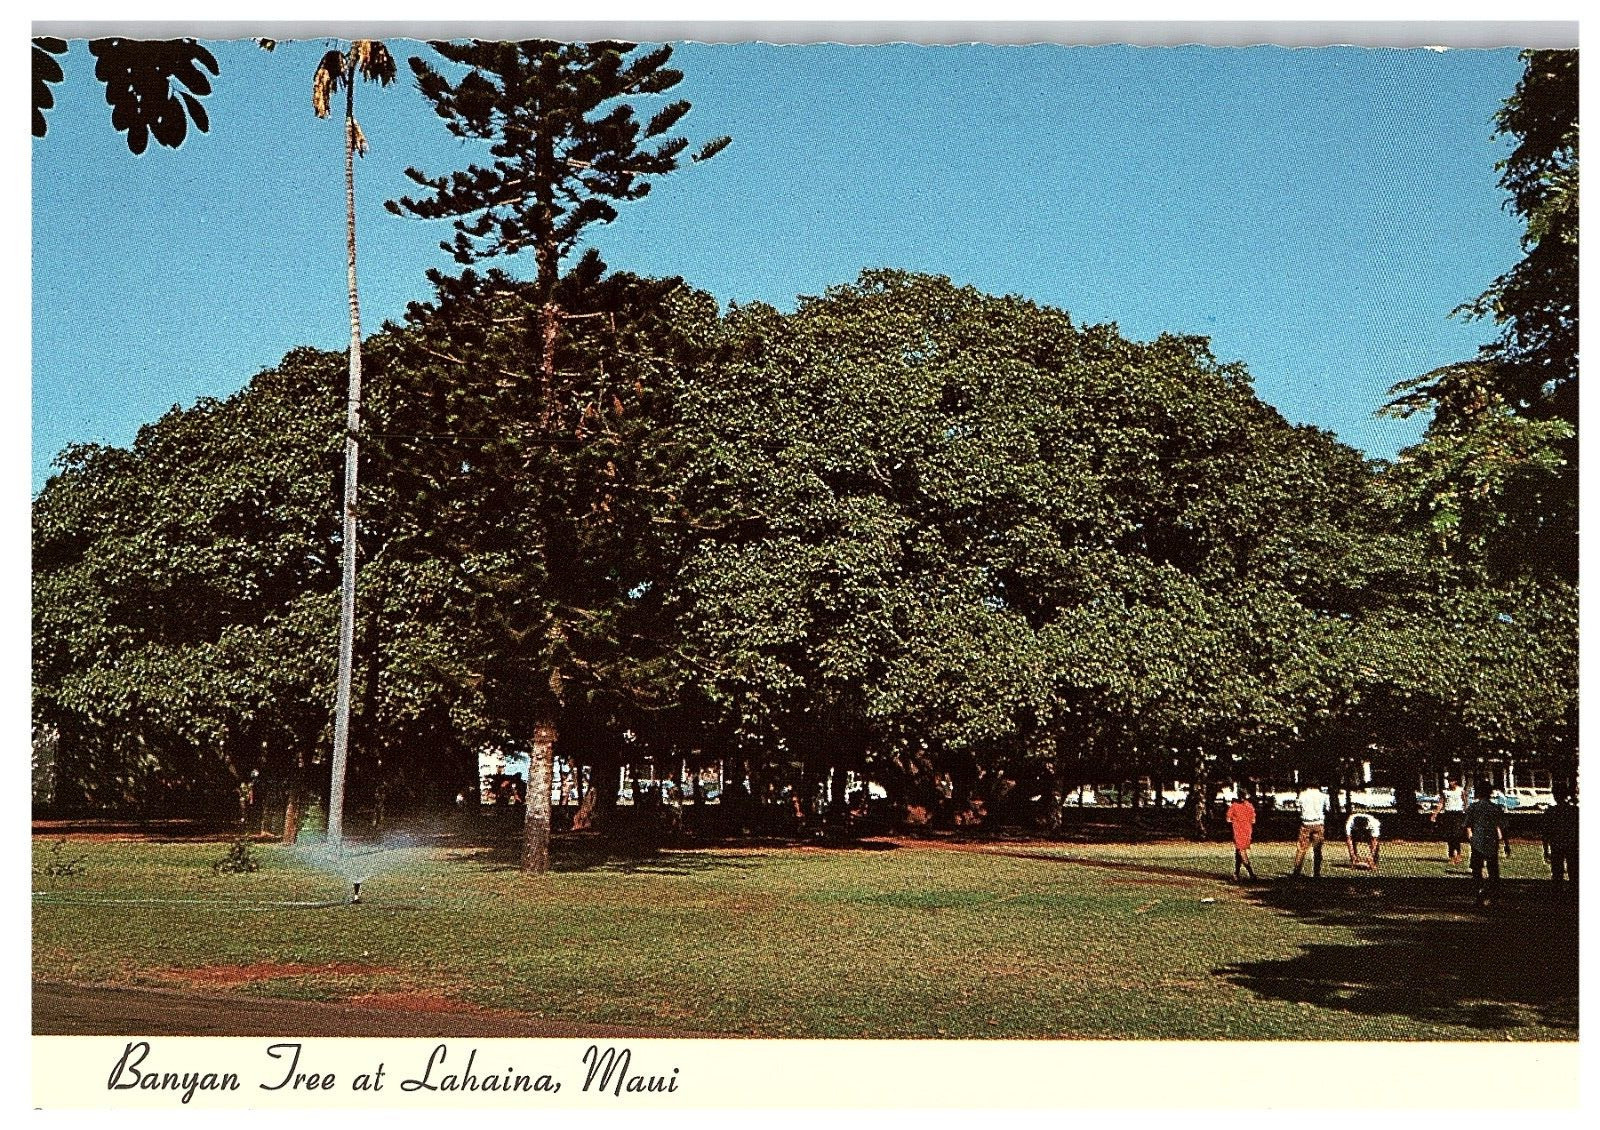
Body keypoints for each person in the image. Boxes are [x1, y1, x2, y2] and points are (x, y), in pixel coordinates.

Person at [1462, 778, 1510, 906]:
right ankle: (1494, 896)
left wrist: (1471, 838)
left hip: (1477, 841)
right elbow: (1503, 827)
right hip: (1491, 841)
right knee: (1493, 869)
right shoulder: (1496, 808)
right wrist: (1506, 844)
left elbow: (1467, 825)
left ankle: (1479, 894)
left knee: (1476, 869)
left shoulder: (1473, 807)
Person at [1289, 781, 1329, 878]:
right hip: (1318, 823)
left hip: (1306, 824)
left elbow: (1298, 808)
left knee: (1301, 849)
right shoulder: (1324, 796)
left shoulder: (1302, 795)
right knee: (1317, 850)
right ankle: (1316, 873)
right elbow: (1327, 809)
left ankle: (1296, 872)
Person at [1542, 786, 1579, 885]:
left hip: (1556, 845)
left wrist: (1545, 849)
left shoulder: (1551, 812)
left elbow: (1546, 832)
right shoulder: (1574, 810)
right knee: (1574, 872)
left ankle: (1558, 891)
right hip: (1572, 844)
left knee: (1557, 874)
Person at [1430, 776, 1468, 865]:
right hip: (1448, 814)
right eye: (1449, 781)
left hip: (1458, 814)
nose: (1450, 783)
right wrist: (1435, 814)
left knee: (1456, 834)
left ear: (1455, 781)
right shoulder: (1445, 791)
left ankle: (1458, 854)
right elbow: (1441, 803)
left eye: (1452, 781)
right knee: (1449, 835)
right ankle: (1451, 856)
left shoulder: (1461, 790)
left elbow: (1465, 803)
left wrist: (1468, 815)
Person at [1226, 790, 1257, 881]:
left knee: (1241, 852)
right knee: (1238, 853)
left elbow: (1228, 819)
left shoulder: (1234, 806)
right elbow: (1253, 820)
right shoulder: (1250, 806)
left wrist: (1236, 821)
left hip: (1238, 832)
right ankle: (1236, 874)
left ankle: (1251, 874)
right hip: (1247, 832)